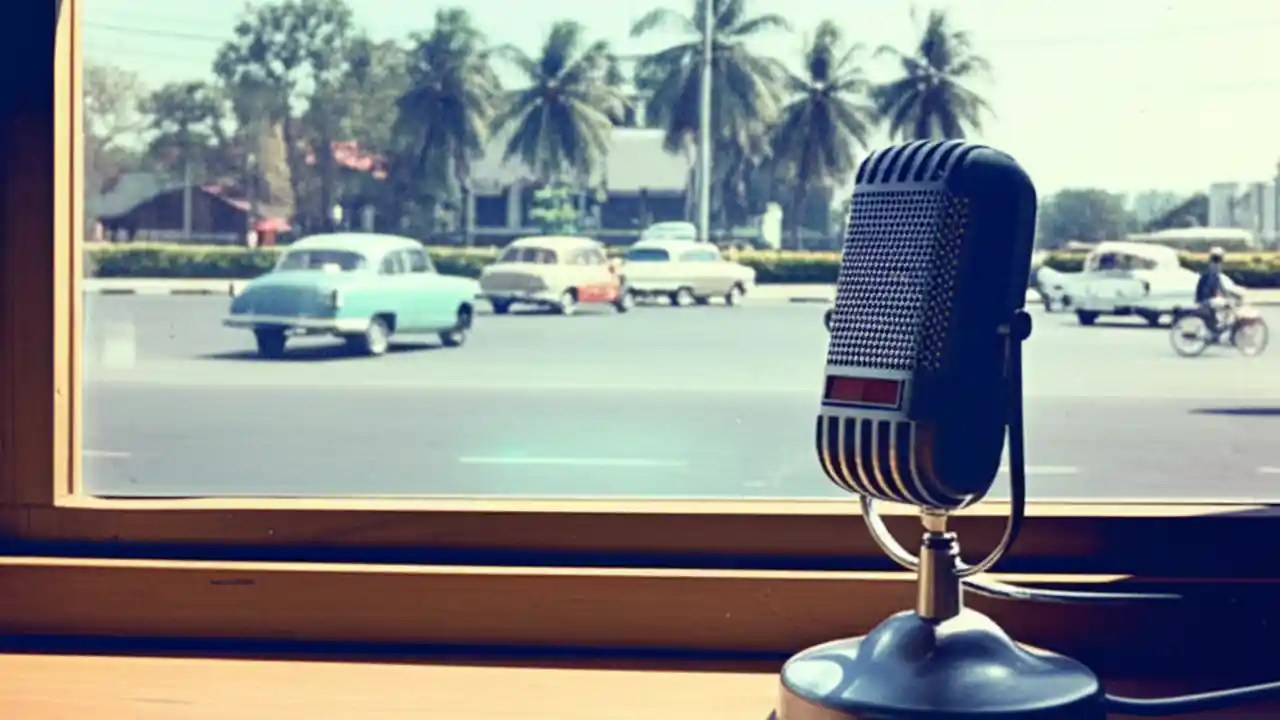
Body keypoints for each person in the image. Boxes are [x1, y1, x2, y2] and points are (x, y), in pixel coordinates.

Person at [1194, 246, 1244, 340]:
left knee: (1226, 305)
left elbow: (1220, 286)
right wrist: (1226, 296)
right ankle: (1217, 330)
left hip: (1206, 298)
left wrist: (1228, 294)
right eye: (1217, 259)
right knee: (1226, 305)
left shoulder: (1212, 270)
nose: (1218, 263)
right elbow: (1211, 288)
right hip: (1205, 300)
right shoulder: (1212, 271)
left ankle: (1217, 327)